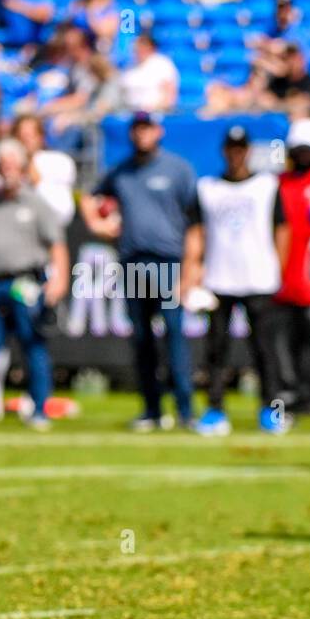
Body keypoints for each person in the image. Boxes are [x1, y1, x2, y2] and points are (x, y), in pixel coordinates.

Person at [82, 112, 201, 431]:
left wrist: (191, 268)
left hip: (167, 262)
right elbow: (90, 197)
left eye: (146, 128)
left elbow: (194, 223)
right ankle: (152, 409)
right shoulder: (121, 171)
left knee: (174, 335)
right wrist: (98, 224)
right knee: (142, 339)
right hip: (134, 261)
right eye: (136, 129)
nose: (141, 135)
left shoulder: (177, 169)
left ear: (158, 131)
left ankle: (186, 409)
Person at [0, 139, 68, 429]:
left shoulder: (35, 203)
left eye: (12, 166)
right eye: (2, 166)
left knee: (32, 344)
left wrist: (59, 280)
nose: (7, 172)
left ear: (22, 168)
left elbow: (57, 244)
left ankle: (40, 408)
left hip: (27, 281)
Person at [189, 126, 285, 435]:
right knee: (216, 350)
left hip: (259, 278)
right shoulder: (208, 187)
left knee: (266, 351)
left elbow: (282, 229)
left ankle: (273, 411)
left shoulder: (266, 185)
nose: (236, 153)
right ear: (224, 151)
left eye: (241, 148)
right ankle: (215, 410)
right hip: (220, 277)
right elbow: (196, 232)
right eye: (231, 148)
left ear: (247, 151)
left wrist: (277, 267)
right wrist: (193, 269)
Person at [271, 118, 310, 426]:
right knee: (284, 348)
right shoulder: (279, 183)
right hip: (283, 279)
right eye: (299, 149)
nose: (303, 154)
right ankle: (287, 404)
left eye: (308, 149)